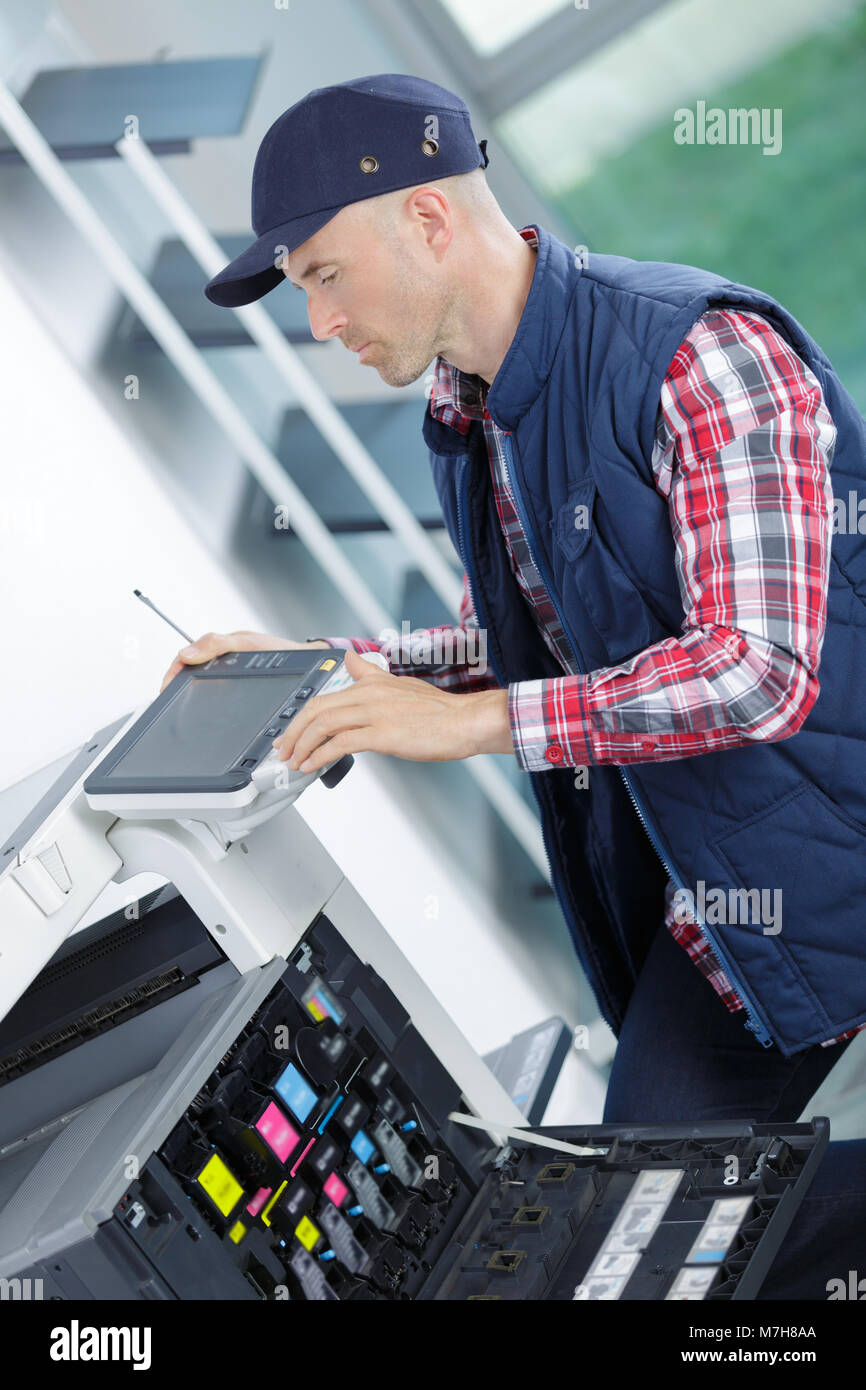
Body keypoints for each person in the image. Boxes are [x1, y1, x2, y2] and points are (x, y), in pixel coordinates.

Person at [160, 74, 866, 1298]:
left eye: (322, 274)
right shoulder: (474, 409)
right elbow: (560, 633)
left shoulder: (698, 355)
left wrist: (471, 726)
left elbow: (758, 669)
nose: (316, 322)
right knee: (625, 1253)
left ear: (427, 220)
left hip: (837, 847)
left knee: (661, 1238)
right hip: (728, 904)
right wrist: (341, 670)